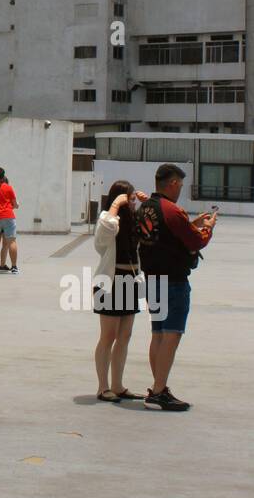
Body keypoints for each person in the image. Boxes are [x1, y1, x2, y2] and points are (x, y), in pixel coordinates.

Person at [138, 163, 215, 412]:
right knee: (172, 334)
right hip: (173, 281)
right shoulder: (172, 210)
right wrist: (207, 228)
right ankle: (159, 392)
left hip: (152, 278)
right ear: (172, 183)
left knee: (158, 334)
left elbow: (167, 234)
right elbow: (194, 241)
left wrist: (191, 222)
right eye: (180, 184)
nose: (181, 189)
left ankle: (158, 386)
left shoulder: (146, 207)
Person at [92, 181, 148, 402]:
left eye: (132, 197)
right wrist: (115, 205)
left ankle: (117, 385)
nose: (131, 201)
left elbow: (152, 231)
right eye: (128, 197)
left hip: (130, 281)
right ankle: (102, 386)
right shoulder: (109, 220)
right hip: (110, 281)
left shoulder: (133, 219)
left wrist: (146, 204)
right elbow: (102, 238)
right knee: (108, 336)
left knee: (125, 335)